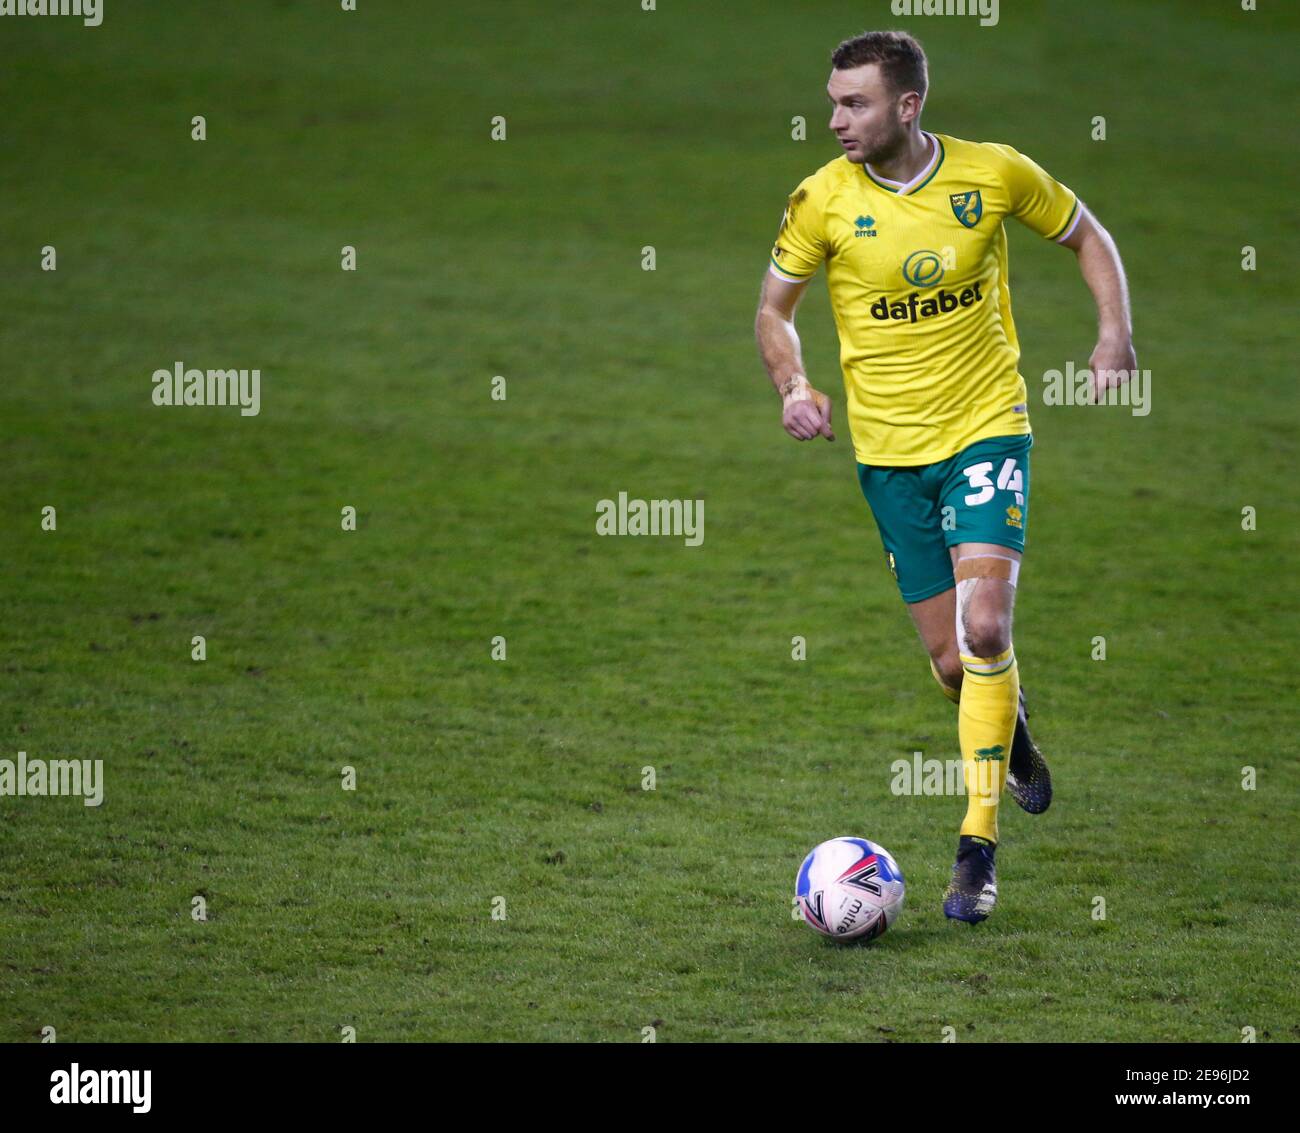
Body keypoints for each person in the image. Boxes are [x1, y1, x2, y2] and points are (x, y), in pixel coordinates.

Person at [754, 29, 1136, 923]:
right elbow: (775, 308)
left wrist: (1113, 332)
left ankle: (976, 850)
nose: (836, 117)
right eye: (833, 101)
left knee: (987, 622)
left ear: (908, 105)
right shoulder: (820, 199)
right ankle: (1013, 726)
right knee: (952, 661)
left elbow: (1088, 236)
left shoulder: (991, 173)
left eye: (855, 103)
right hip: (888, 458)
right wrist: (793, 382)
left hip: (986, 428)